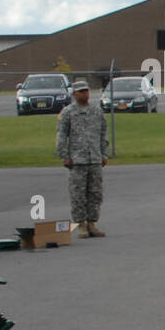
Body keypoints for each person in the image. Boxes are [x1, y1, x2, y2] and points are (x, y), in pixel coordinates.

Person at [56, 79, 108, 237]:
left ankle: (92, 223)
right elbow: (62, 135)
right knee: (78, 194)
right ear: (74, 94)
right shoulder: (68, 112)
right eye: (81, 91)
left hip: (95, 159)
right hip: (77, 160)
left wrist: (104, 154)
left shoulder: (97, 111)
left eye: (86, 90)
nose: (85, 93)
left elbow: (103, 133)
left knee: (95, 193)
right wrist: (64, 156)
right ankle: (81, 225)